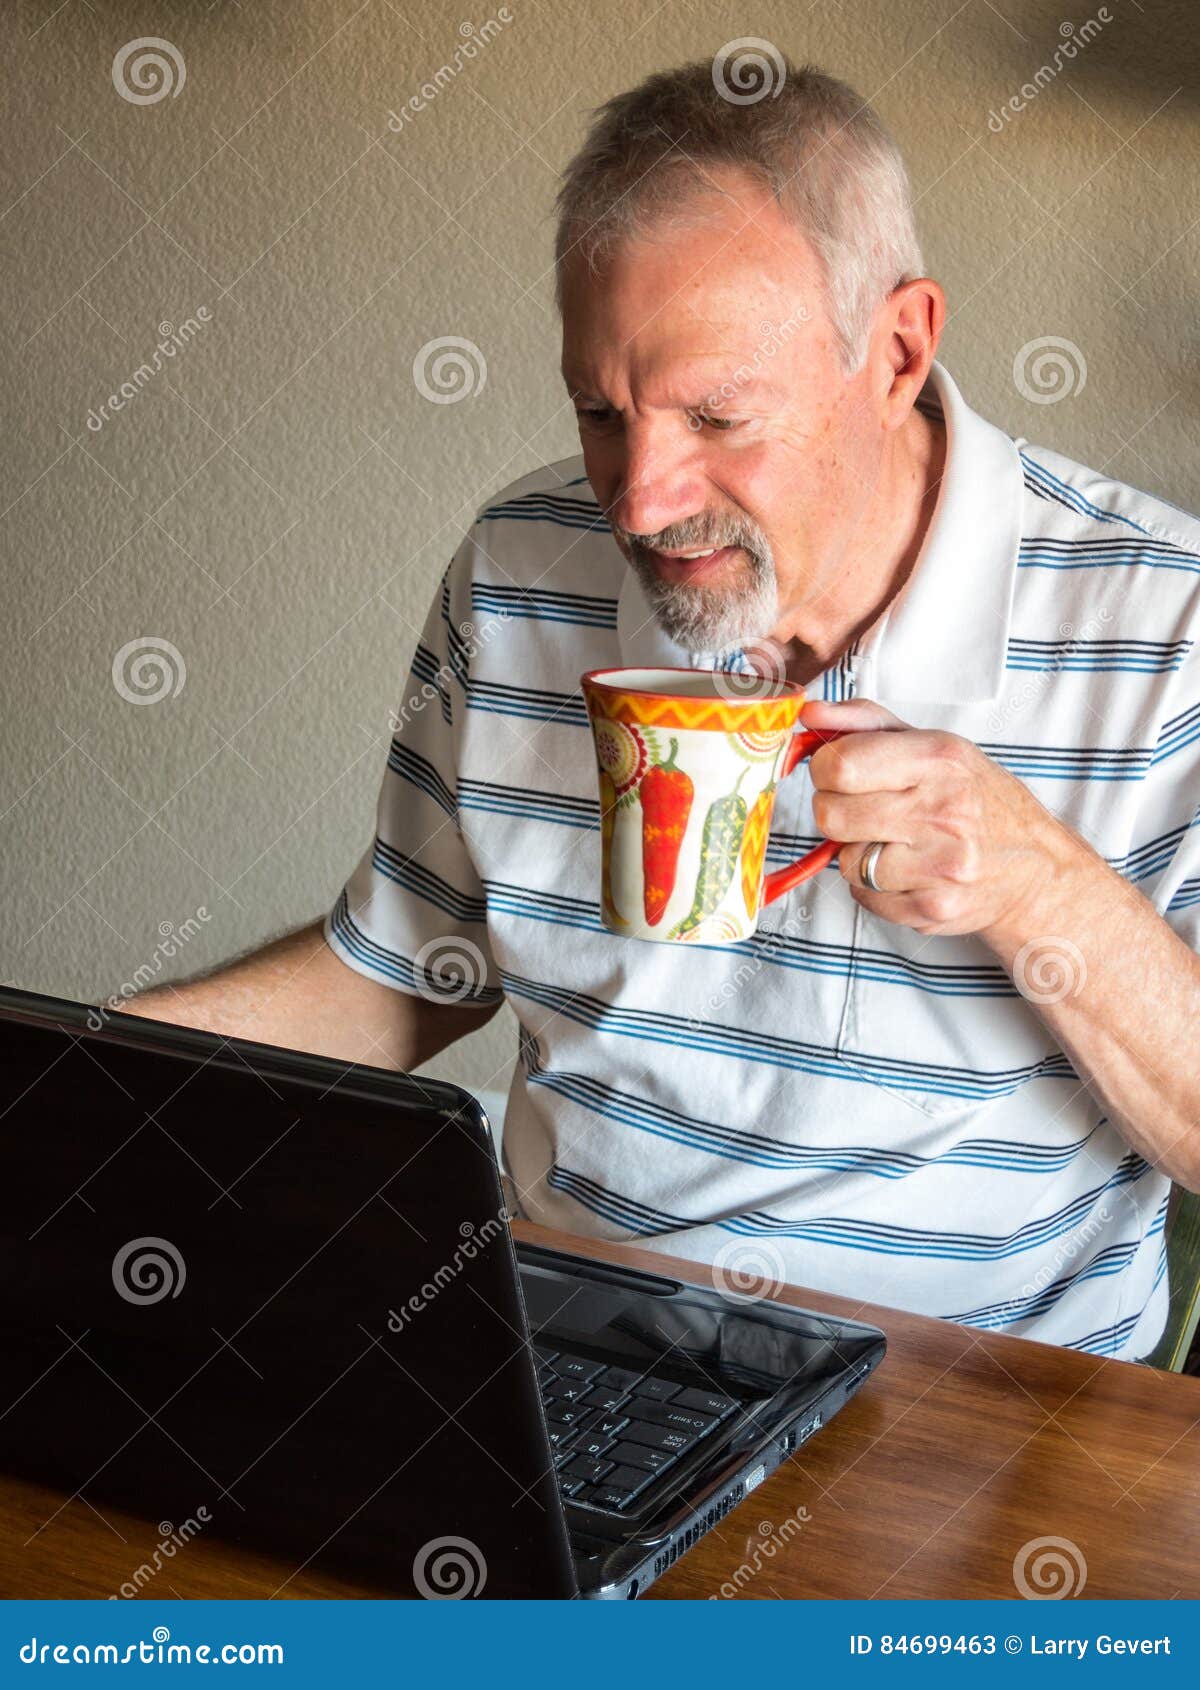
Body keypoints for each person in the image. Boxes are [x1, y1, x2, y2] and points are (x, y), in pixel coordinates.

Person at [123, 58, 1200, 1360]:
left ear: (899, 350)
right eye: (600, 410)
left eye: (718, 416)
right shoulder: (524, 560)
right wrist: (72, 1074)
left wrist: (1041, 885)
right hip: (566, 1366)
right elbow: (409, 976)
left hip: (990, 1425)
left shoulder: (1167, 626)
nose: (637, 500)